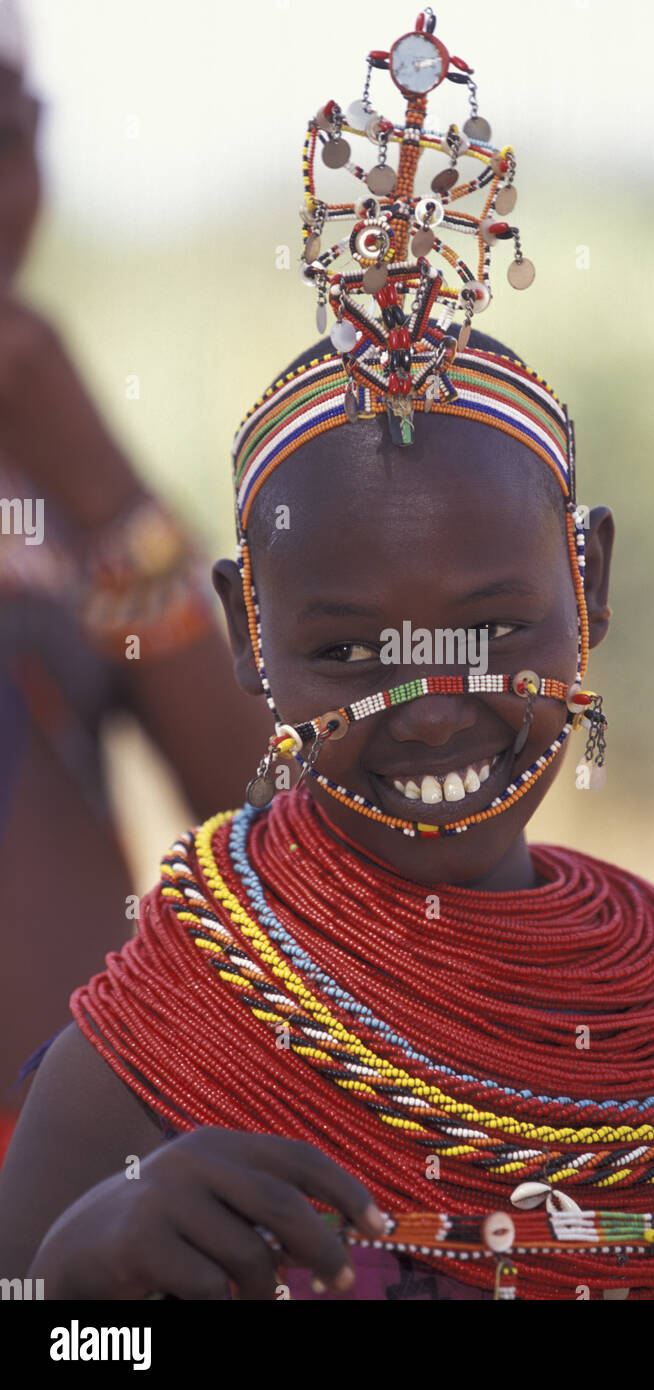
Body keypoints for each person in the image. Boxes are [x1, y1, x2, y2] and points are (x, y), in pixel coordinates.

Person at [0, 6, 654, 1302]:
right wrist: (83, 1287)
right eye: (350, 646)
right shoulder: (157, 1033)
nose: (432, 701)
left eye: (494, 627)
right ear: (249, 637)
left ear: (592, 586)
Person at [0, 0, 267, 1157]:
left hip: (70, 1184)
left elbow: (263, 804)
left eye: (12, 135)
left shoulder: (53, 449)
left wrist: (102, 485)